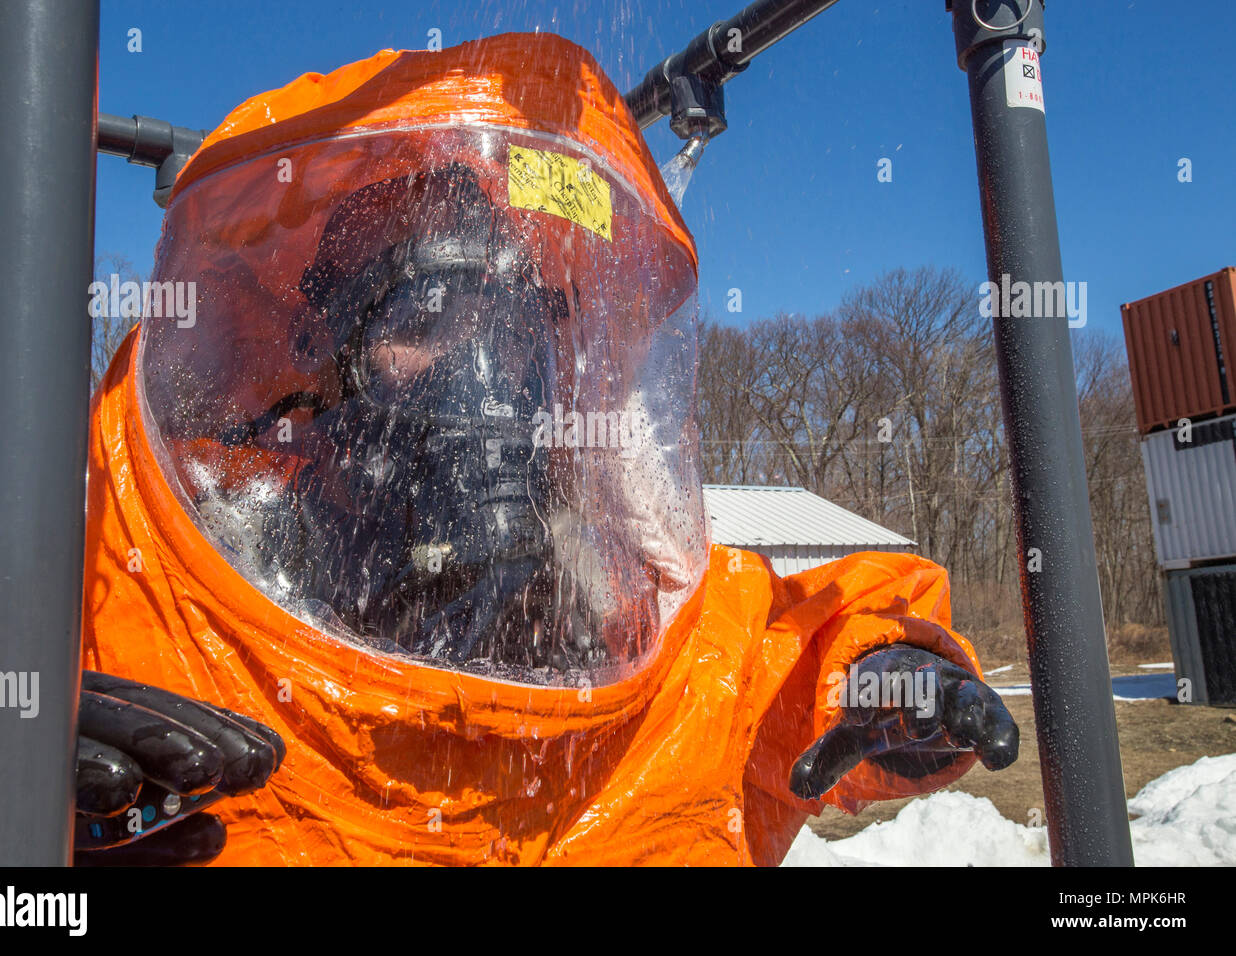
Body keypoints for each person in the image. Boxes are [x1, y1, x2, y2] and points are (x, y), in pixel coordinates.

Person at [75, 32, 1017, 866]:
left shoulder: (632, 622)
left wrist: (886, 676)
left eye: (512, 324)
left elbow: (788, 655)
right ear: (328, 359)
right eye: (426, 313)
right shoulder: (169, 598)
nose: (482, 373)